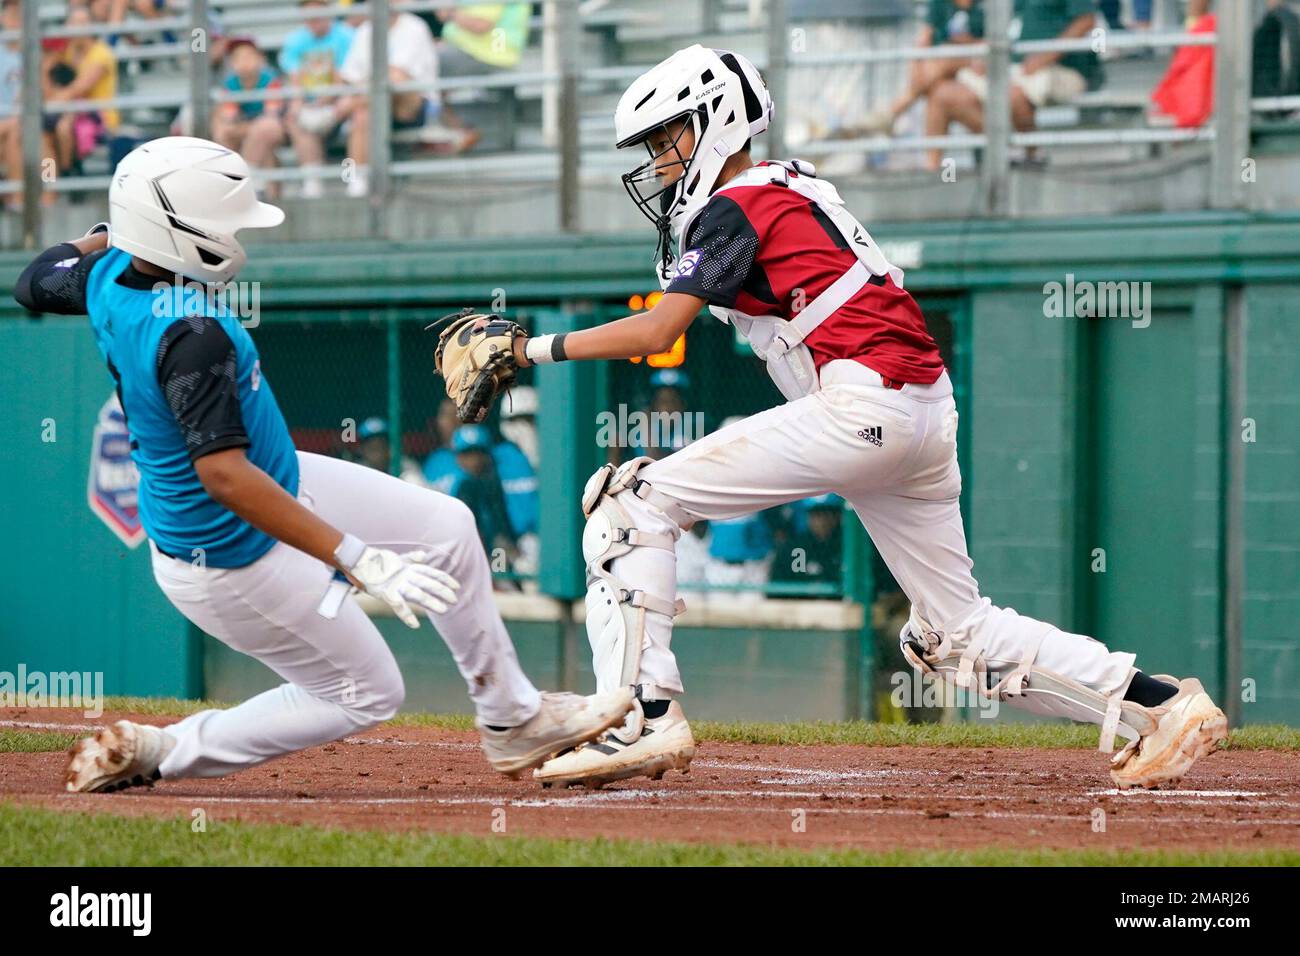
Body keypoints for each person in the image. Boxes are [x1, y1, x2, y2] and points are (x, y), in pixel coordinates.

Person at [491, 45, 1226, 790]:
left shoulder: (737, 202)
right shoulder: (788, 188)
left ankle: (640, 721)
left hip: (864, 407)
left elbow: (657, 332)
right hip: (921, 412)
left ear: (714, 121)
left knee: (628, 504)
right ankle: (1160, 707)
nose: (658, 161)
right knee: (951, 633)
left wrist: (529, 347)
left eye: (666, 138)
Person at [14, 136, 631, 794]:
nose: (236, 231)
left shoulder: (108, 273)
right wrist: (352, 554)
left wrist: (110, 233)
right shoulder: (192, 335)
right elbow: (222, 476)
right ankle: (165, 751)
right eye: (221, 220)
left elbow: (35, 279)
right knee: (370, 693)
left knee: (447, 527)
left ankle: (513, 719)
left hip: (271, 483)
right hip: (227, 551)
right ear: (173, 230)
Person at [926, 0, 1103, 171]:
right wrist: (988, 57)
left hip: (1063, 68)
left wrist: (1046, 56)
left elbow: (1087, 20)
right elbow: (1008, 29)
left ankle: (1031, 153)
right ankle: (933, 171)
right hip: (1014, 66)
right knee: (943, 94)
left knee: (1012, 95)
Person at [856, 0, 985, 166]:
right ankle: (932, 168)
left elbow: (998, 42)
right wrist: (918, 66)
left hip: (981, 72)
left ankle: (891, 113)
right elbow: (923, 39)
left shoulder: (992, 6)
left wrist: (963, 45)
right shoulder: (939, 4)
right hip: (944, 79)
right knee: (938, 92)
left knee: (946, 61)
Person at [337, 6, 439, 197]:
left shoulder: (414, 27)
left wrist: (354, 97)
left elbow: (395, 75)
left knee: (392, 81)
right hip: (371, 104)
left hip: (411, 105)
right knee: (361, 115)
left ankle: (342, 111)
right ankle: (354, 180)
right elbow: (349, 76)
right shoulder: (364, 30)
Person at [279, 0, 354, 198]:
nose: (313, 20)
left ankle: (355, 180)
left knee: (356, 111)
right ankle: (312, 181)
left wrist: (329, 99)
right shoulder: (295, 40)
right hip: (311, 103)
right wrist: (300, 105)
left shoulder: (346, 35)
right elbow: (295, 78)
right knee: (296, 119)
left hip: (341, 100)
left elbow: (347, 76)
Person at [45, 8, 120, 179]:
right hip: (71, 110)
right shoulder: (67, 51)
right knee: (43, 132)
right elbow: (47, 75)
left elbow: (78, 88)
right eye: (74, 23)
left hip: (100, 116)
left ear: (92, 26)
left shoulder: (102, 54)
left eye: (82, 23)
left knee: (62, 126)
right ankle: (49, 181)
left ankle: (68, 173)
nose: (77, 28)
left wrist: (48, 103)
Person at [211, 38, 287, 199]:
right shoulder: (231, 84)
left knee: (265, 130)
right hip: (248, 132)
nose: (244, 62)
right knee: (223, 130)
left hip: (277, 131)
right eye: (237, 58)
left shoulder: (270, 80)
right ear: (231, 63)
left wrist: (242, 127)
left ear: (260, 59)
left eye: (248, 56)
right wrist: (237, 127)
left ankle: (247, 179)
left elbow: (271, 117)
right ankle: (232, 184)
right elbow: (228, 118)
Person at [349, 415, 428, 486]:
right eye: (371, 446)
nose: (377, 449)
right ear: (362, 450)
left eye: (382, 444)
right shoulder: (358, 470)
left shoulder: (405, 467)